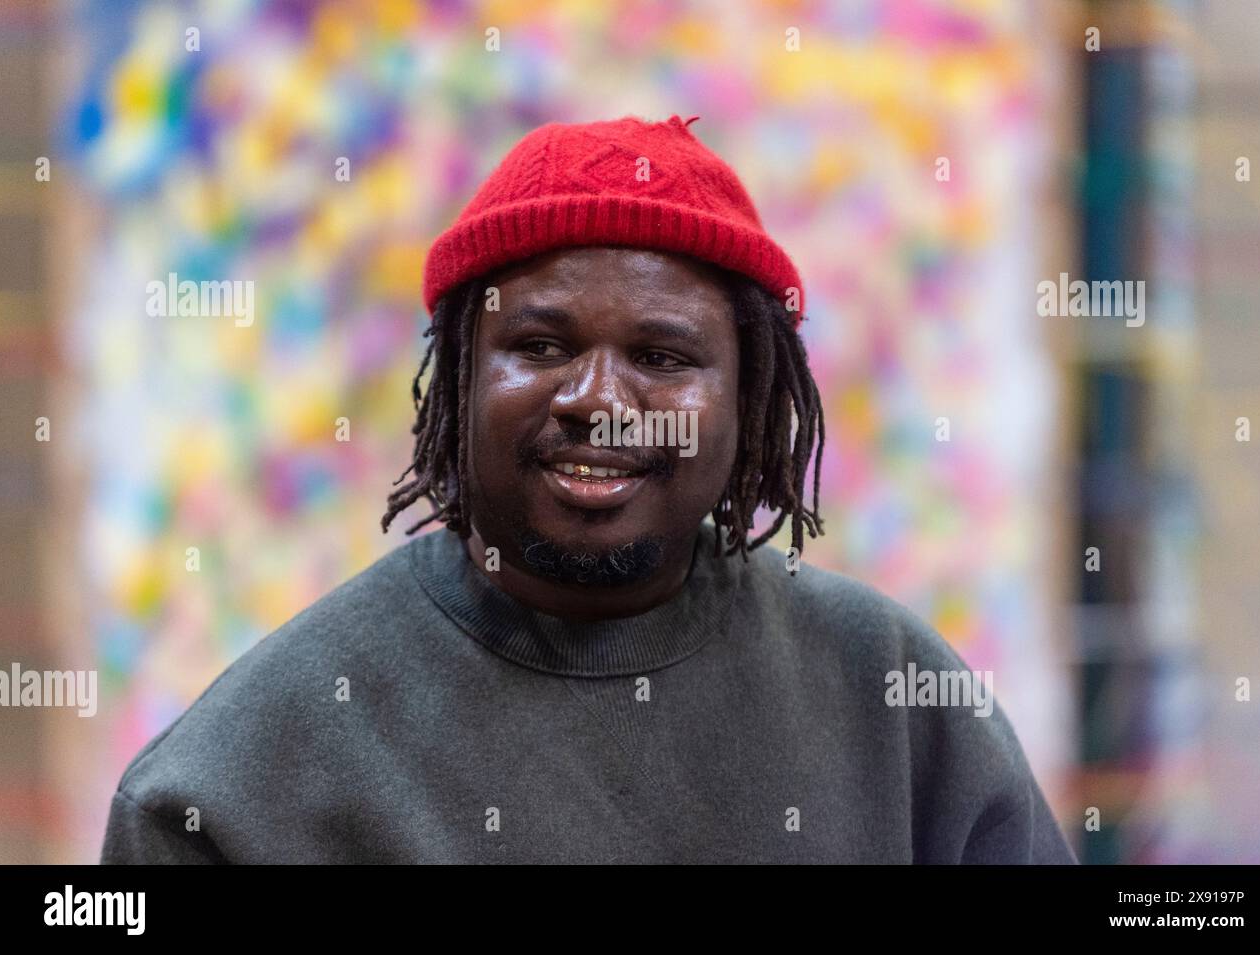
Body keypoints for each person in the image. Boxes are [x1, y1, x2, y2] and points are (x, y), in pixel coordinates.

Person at [101, 114, 1077, 864]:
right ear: (460, 383)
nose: (597, 401)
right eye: (538, 346)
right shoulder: (228, 785)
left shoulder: (897, 702)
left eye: (660, 354)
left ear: (748, 399)